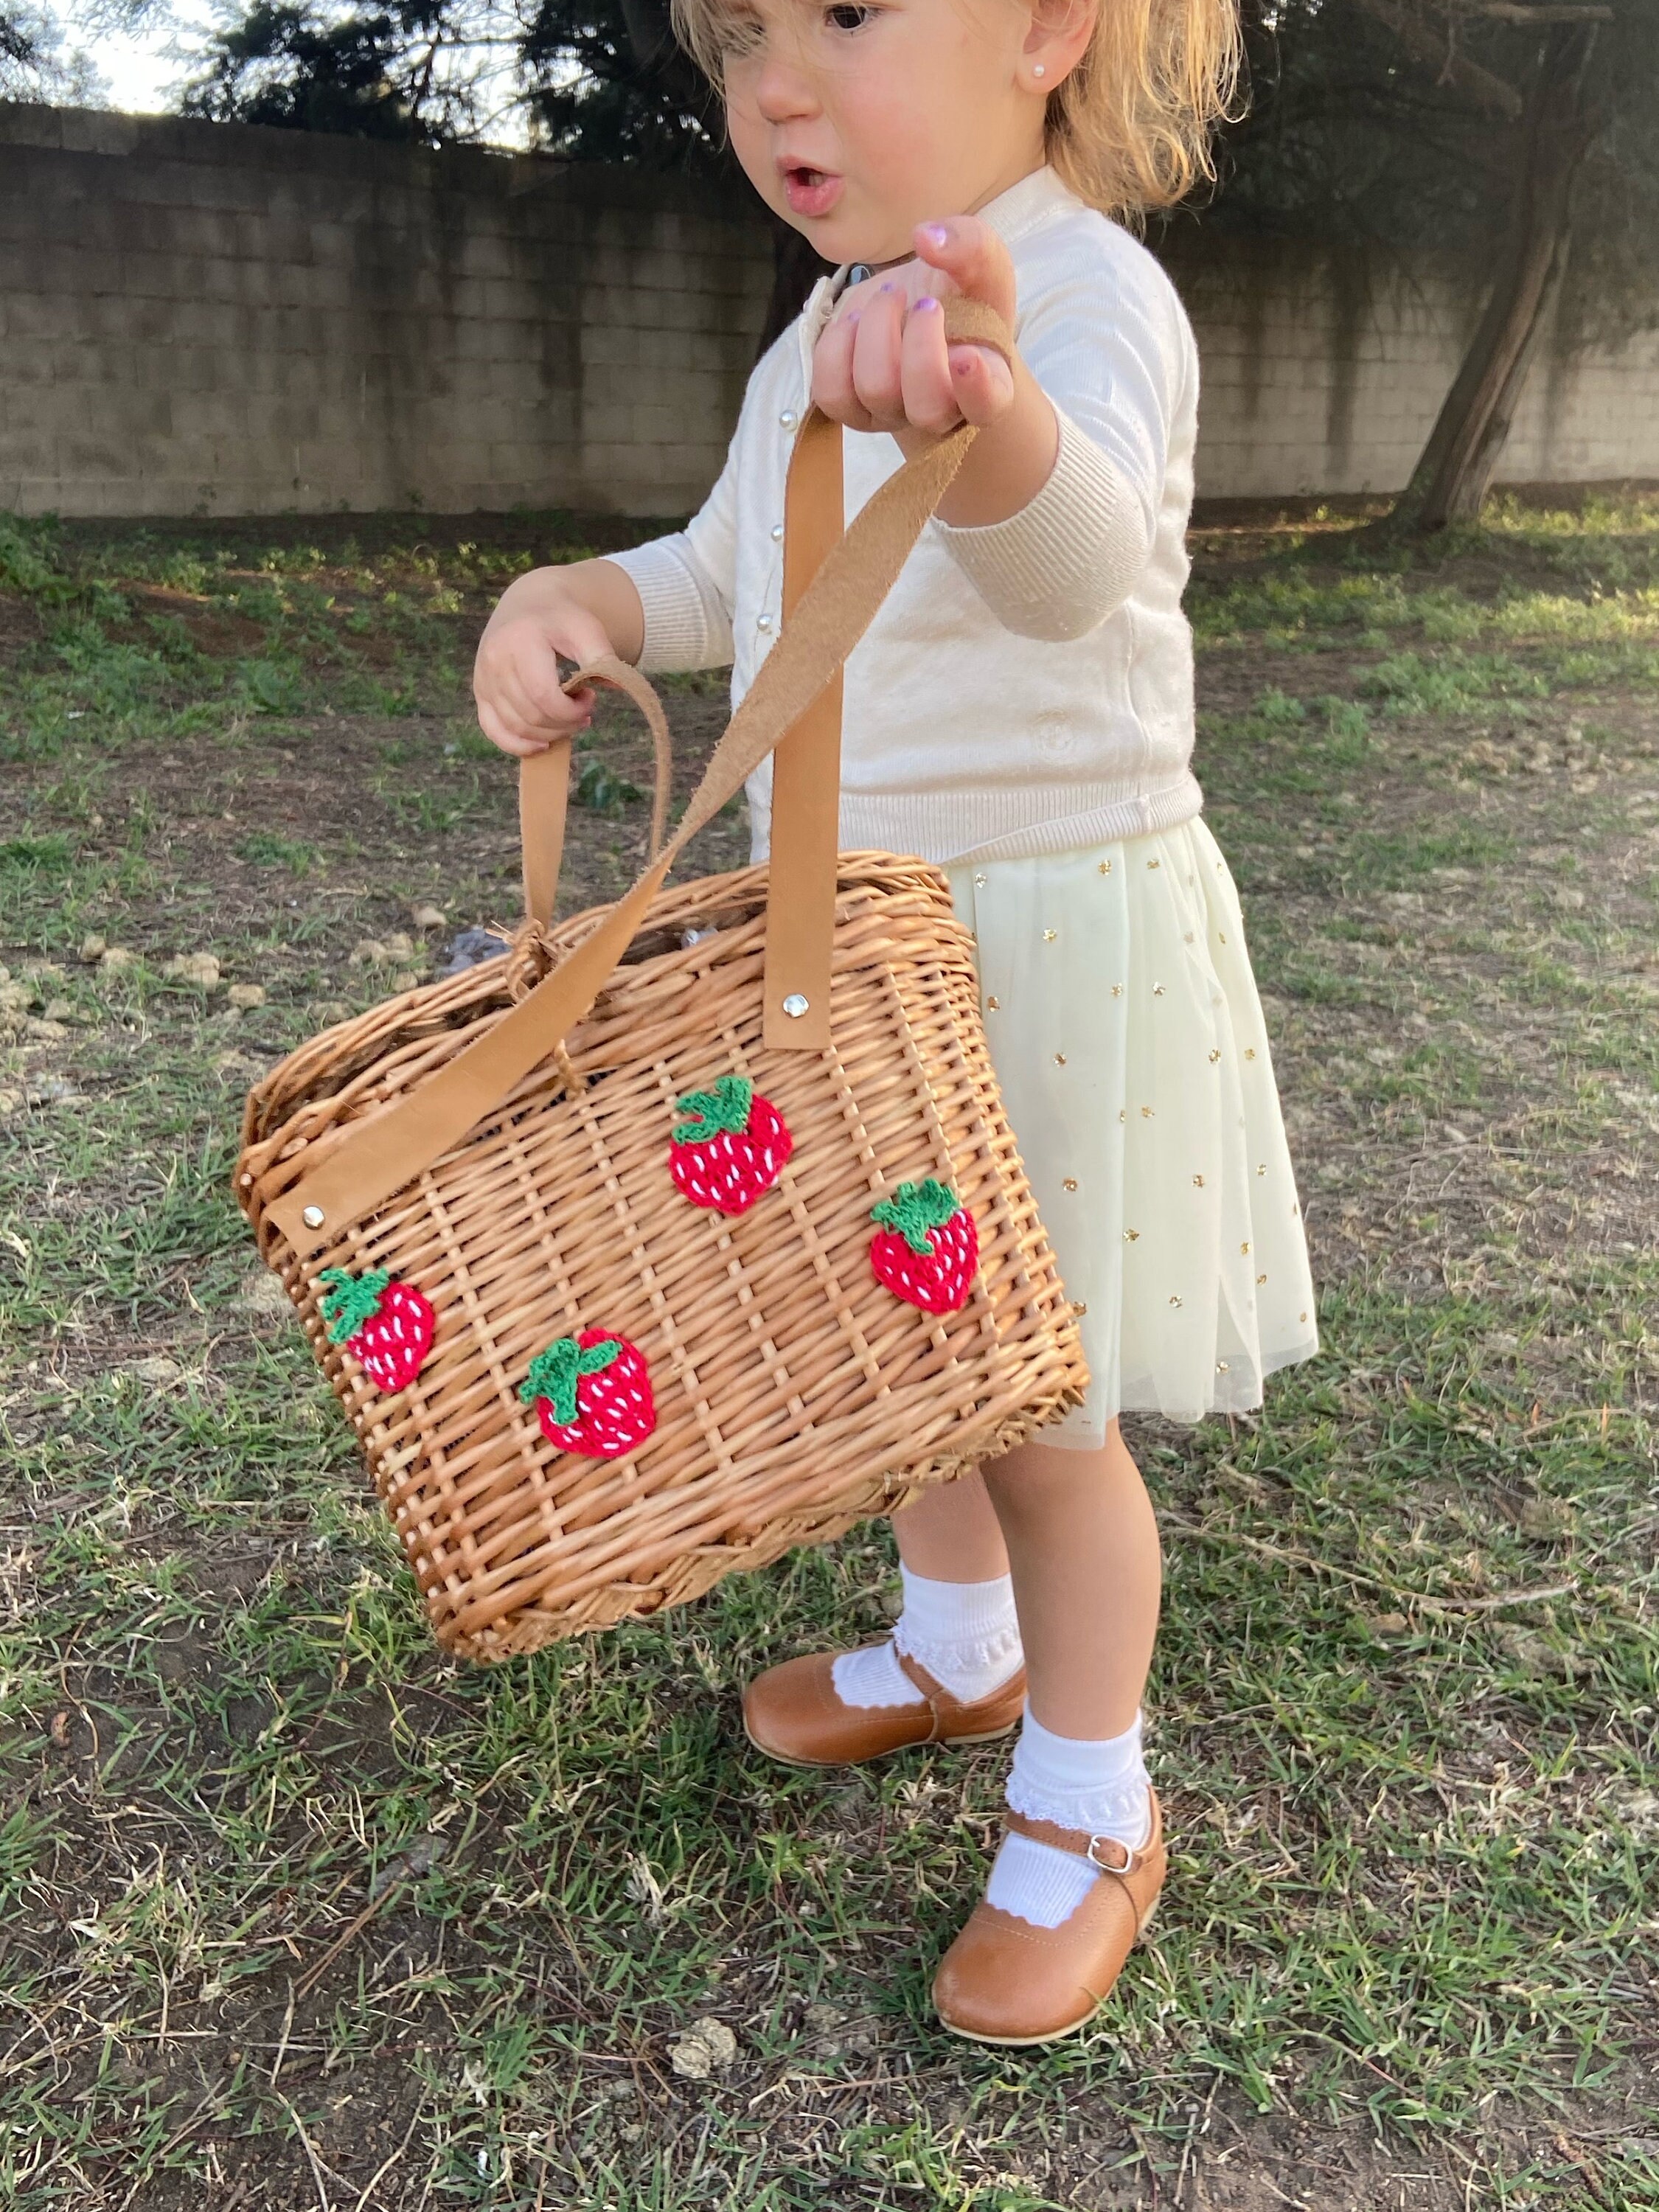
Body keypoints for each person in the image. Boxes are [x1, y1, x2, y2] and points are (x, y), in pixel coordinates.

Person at [472, 0, 1318, 2045]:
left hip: (1032, 935)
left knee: (1037, 1398)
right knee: (902, 1334)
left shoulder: (1087, 293)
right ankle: (956, 1646)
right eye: (744, 33)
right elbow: (724, 567)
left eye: (844, 16)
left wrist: (986, 407)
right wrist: (582, 597)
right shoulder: (816, 327)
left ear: (1043, 27)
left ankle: (1092, 1792)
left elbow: (1078, 565)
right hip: (847, 945)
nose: (775, 84)